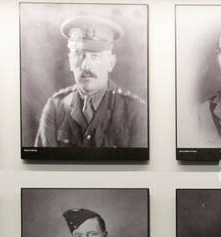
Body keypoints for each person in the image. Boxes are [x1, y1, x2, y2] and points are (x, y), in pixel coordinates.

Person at [35, 14, 146, 149]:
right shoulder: (55, 108)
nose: (85, 65)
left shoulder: (136, 112)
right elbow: (44, 166)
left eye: (95, 56)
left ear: (110, 63)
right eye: (79, 55)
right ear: (70, 62)